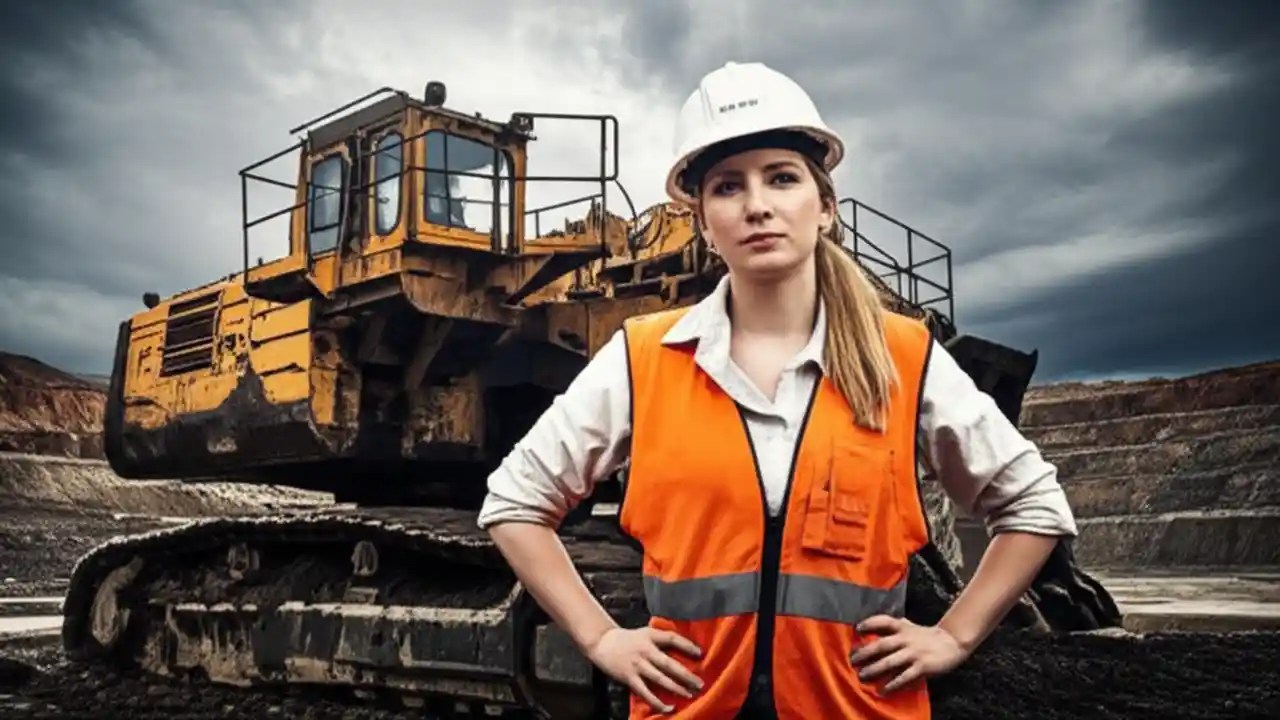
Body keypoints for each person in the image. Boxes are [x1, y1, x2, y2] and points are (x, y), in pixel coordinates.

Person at [478, 61, 1077, 719]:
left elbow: (1034, 505)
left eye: (782, 178)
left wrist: (955, 636)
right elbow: (514, 501)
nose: (757, 205)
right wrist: (600, 637)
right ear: (703, 220)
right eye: (728, 187)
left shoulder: (902, 358)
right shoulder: (643, 359)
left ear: (824, 208)